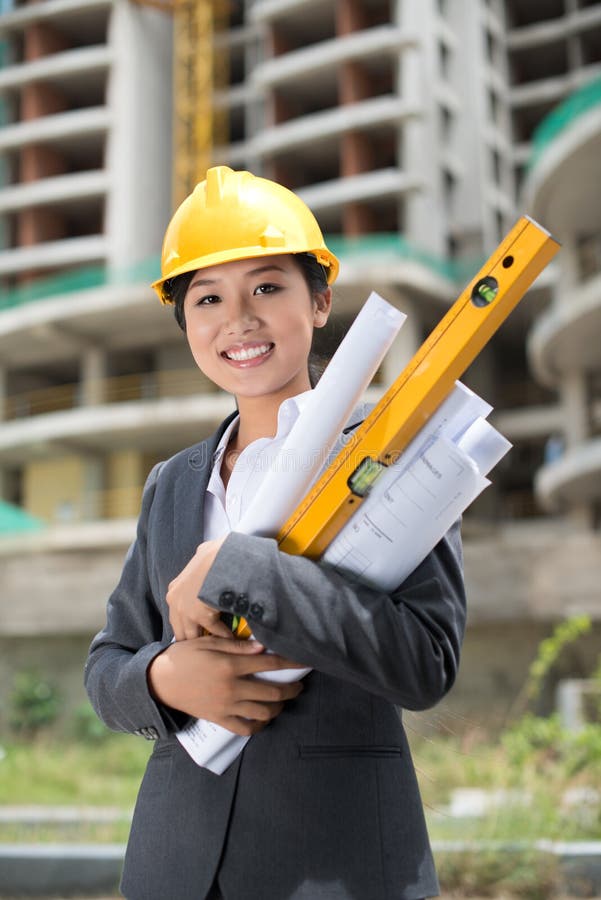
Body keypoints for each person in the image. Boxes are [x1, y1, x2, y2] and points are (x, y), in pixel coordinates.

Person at [84, 165, 466, 900]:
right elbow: (108, 664)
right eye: (207, 299)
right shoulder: (173, 481)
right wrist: (163, 679)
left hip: (337, 865)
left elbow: (425, 662)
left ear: (320, 301)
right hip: (173, 865)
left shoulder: (384, 456)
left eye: (266, 287)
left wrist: (246, 569)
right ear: (186, 324)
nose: (238, 319)